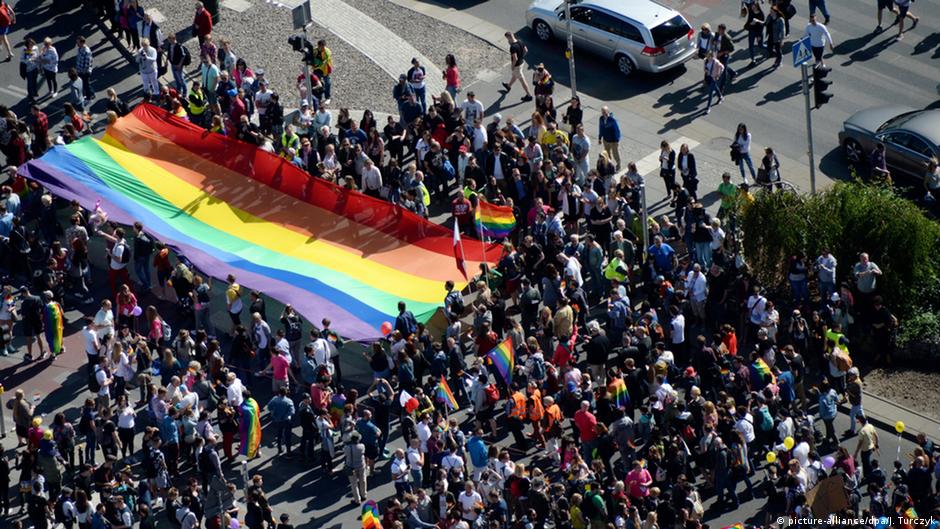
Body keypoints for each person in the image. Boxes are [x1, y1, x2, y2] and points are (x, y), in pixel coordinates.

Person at [502, 32, 532, 101]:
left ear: (508, 38)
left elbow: (515, 58)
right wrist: (521, 56)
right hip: (522, 63)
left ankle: (529, 95)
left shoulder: (513, 47)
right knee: (515, 75)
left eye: (507, 39)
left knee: (522, 81)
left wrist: (512, 66)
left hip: (517, 66)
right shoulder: (520, 41)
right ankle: (508, 86)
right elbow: (526, 50)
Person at [75, 36, 94, 101]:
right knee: (85, 84)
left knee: (86, 85)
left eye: (78, 42)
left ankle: (89, 97)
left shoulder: (87, 51)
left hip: (85, 72)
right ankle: (91, 94)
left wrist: (83, 72)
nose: (77, 44)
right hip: (80, 70)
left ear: (82, 43)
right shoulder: (79, 48)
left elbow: (87, 64)